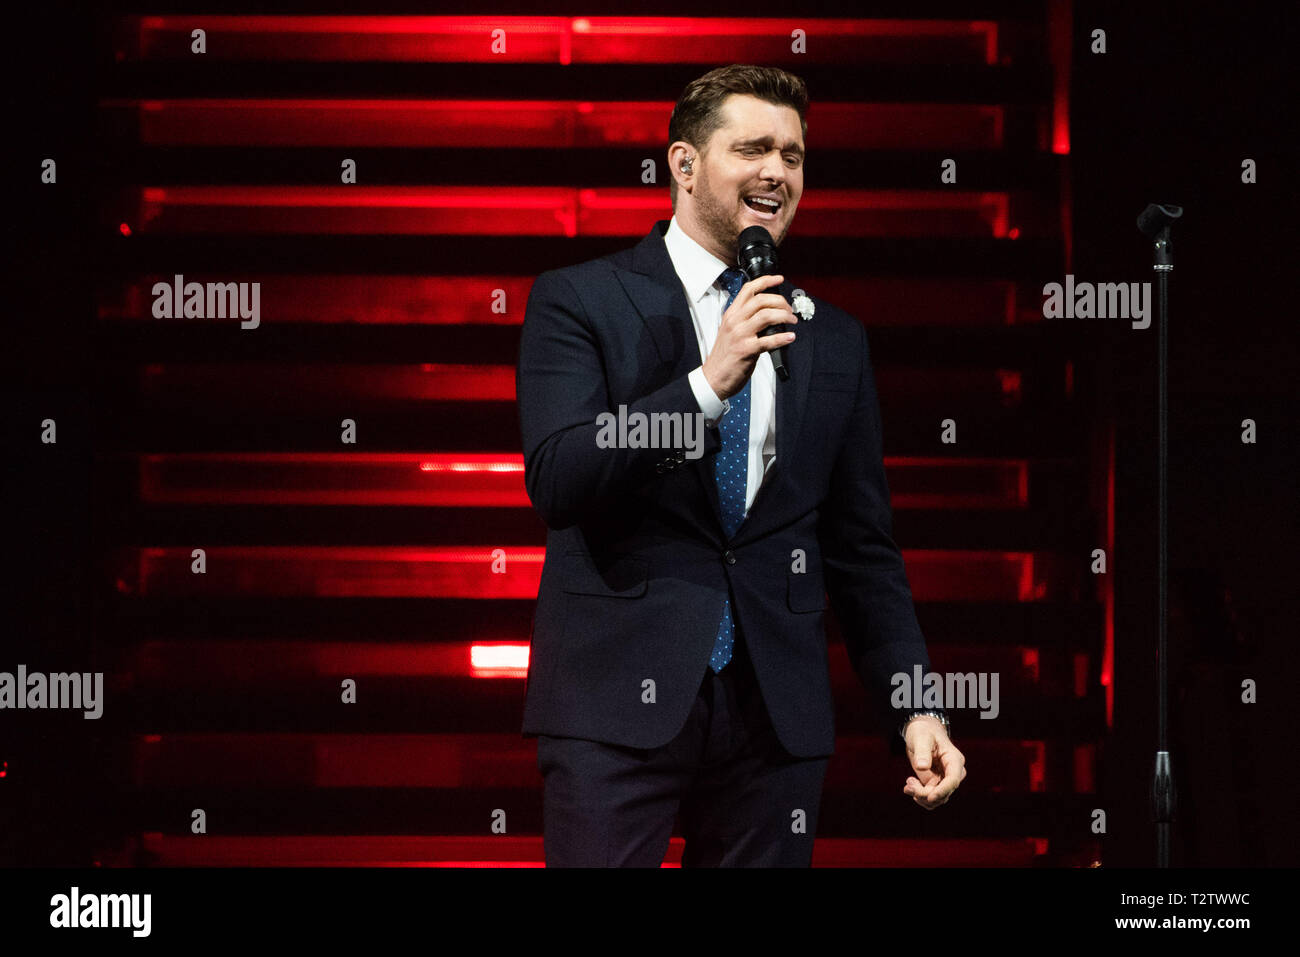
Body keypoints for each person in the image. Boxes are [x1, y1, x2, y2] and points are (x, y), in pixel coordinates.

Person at [516, 64, 965, 867]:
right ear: (683, 165)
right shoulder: (579, 300)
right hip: (616, 704)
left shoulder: (832, 337)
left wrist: (915, 705)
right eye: (753, 149)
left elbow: (863, 551)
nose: (777, 173)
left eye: (793, 156)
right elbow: (559, 476)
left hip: (773, 719)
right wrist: (704, 385)